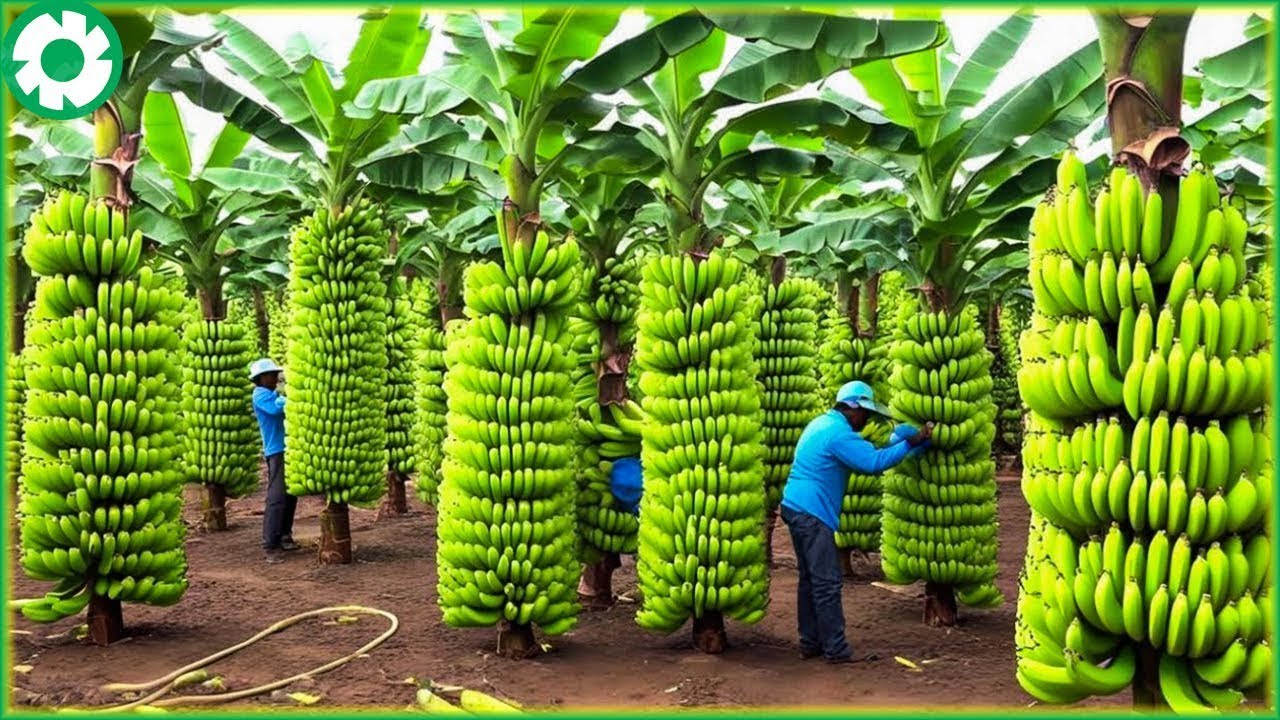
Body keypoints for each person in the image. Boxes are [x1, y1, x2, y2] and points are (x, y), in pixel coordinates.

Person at [779, 380, 932, 664]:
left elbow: (865, 453)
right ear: (852, 407)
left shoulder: (822, 424)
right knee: (826, 582)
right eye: (865, 412)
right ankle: (835, 650)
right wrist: (911, 442)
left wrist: (897, 446)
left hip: (794, 506)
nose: (867, 419)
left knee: (809, 581)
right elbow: (872, 464)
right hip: (812, 513)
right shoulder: (838, 434)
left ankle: (810, 643)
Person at [249, 358, 298, 564]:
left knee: (290, 495)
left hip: (287, 448)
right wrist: (294, 398)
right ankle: (270, 544)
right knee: (277, 497)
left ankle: (285, 535)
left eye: (275, 374)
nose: (275, 377)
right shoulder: (260, 395)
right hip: (276, 450)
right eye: (271, 374)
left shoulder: (273, 394)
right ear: (261, 378)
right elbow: (277, 409)